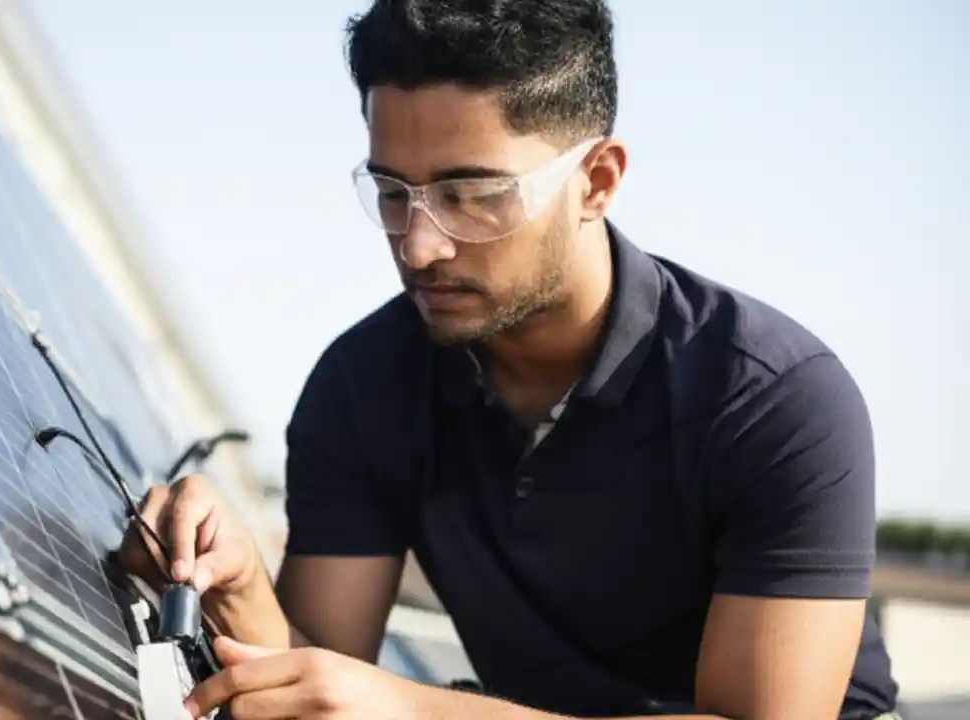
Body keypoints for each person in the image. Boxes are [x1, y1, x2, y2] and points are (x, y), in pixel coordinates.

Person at [118, 1, 902, 717]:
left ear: (596, 181)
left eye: (473, 194)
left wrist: (420, 712)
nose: (420, 246)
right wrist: (242, 581)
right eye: (394, 192)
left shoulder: (774, 401)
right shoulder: (365, 385)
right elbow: (314, 672)